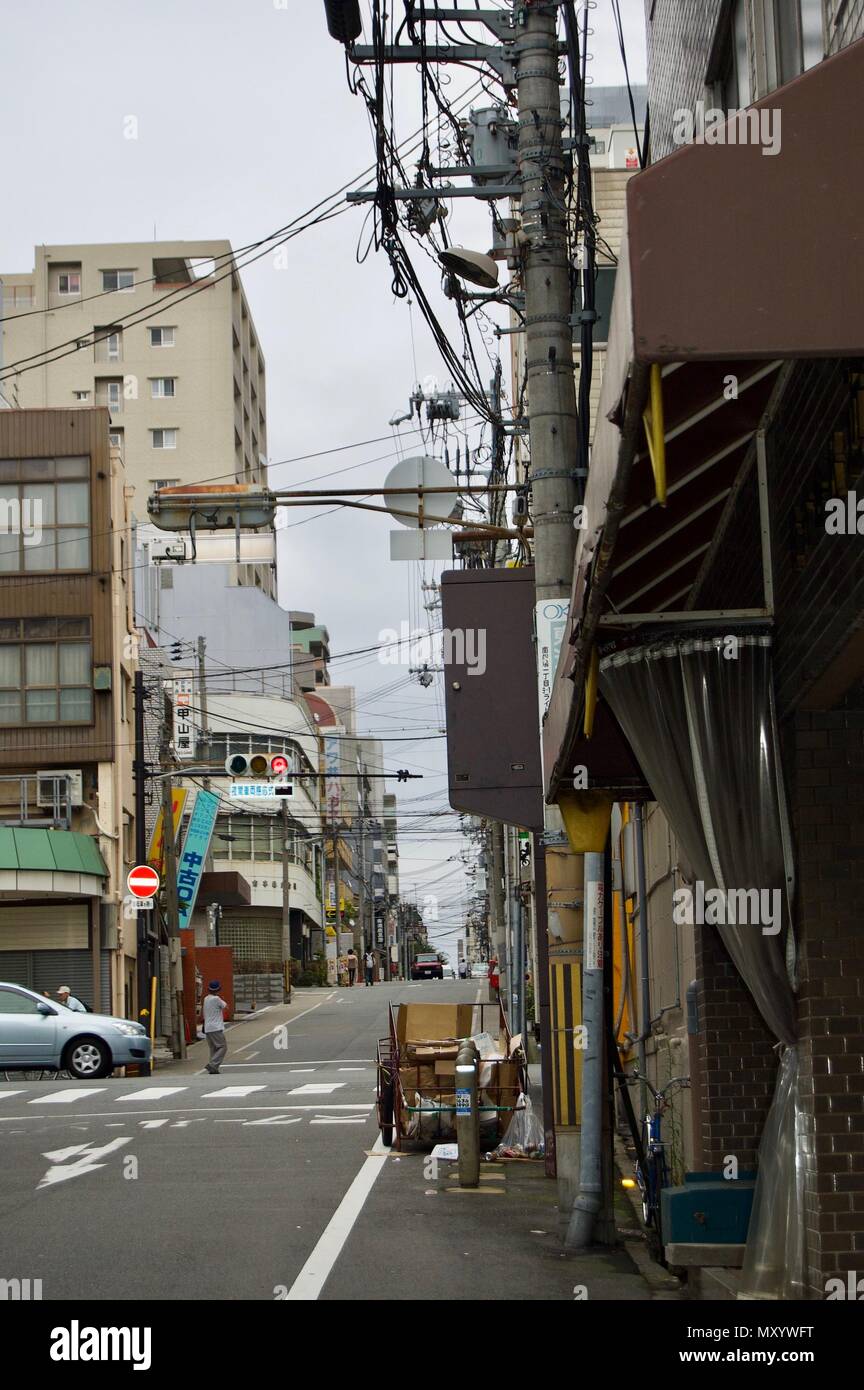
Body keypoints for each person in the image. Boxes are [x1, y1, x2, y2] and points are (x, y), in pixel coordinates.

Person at [202, 981, 228, 1074]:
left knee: (213, 1048)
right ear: (218, 989)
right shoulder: (216, 999)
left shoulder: (206, 998)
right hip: (216, 1027)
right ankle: (212, 1064)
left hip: (207, 1027)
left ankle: (214, 1069)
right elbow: (225, 1006)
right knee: (222, 1047)